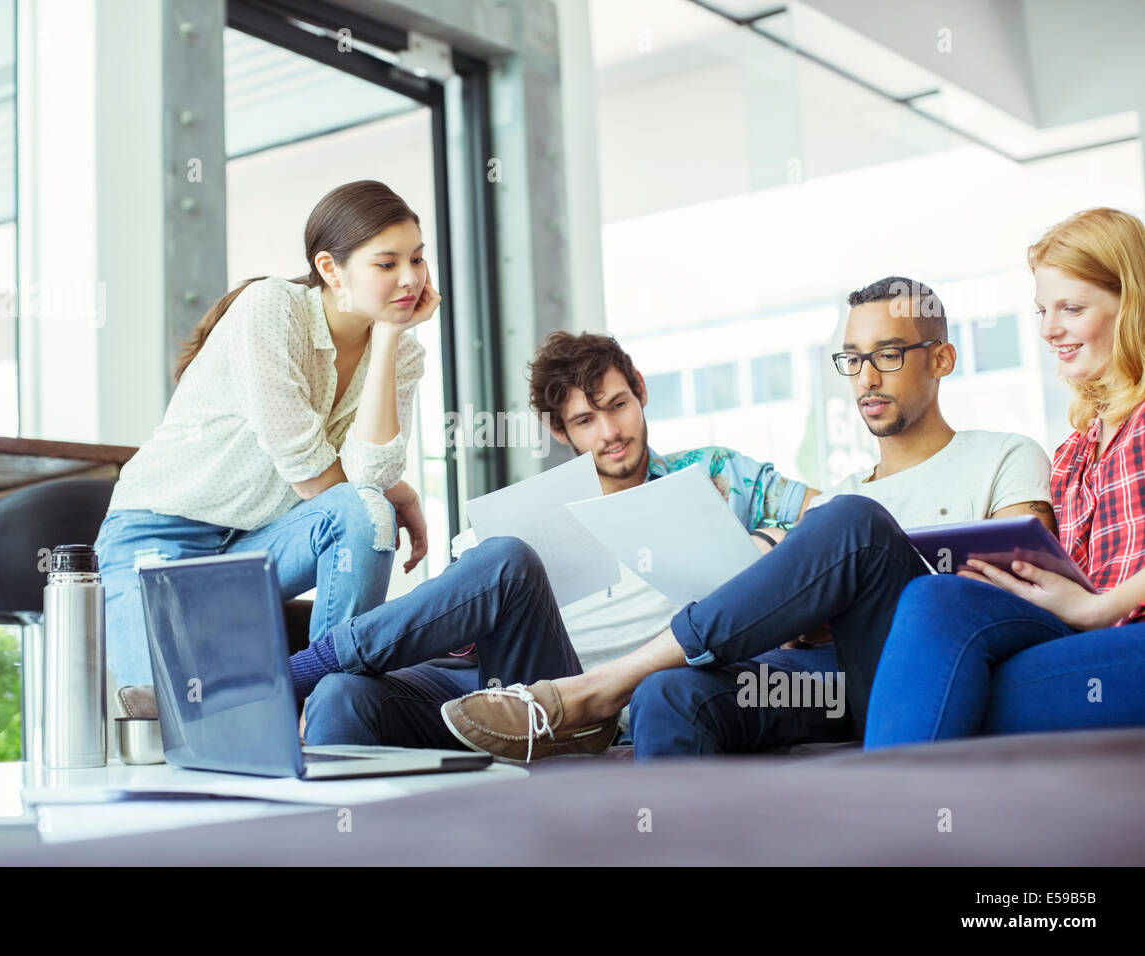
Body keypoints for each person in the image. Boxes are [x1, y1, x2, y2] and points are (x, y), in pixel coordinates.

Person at [439, 276, 1054, 761]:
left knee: (852, 524)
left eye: (888, 355)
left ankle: (599, 687)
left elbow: (1025, 589)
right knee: (669, 694)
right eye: (852, 359)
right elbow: (797, 629)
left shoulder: (1003, 455)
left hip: (926, 659)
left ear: (942, 358)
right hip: (836, 679)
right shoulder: (840, 495)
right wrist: (801, 612)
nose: (866, 378)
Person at [296, 331, 820, 753]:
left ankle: (299, 669)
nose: (611, 432)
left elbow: (833, 519)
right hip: (496, 679)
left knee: (506, 558)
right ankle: (323, 683)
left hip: (574, 697)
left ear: (640, 389)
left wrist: (770, 539)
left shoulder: (714, 473)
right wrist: (467, 628)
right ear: (559, 431)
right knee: (344, 697)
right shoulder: (544, 508)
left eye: (618, 405)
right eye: (586, 421)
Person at [95, 180, 439, 699]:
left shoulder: (404, 356)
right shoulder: (272, 308)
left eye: (417, 259)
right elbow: (311, 479)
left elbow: (363, 487)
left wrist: (390, 337)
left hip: (250, 551)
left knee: (365, 508)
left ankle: (334, 707)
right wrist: (399, 492)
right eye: (386, 264)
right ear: (330, 269)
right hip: (158, 541)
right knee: (169, 721)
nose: (410, 279)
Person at [866, 208, 1145, 748]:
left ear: (1131, 305)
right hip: (1086, 637)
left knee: (954, 687)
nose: (1049, 330)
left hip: (1125, 632)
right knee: (937, 598)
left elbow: (1093, 602)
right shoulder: (1072, 454)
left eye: (1072, 308)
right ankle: (895, 813)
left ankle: (882, 817)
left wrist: (1098, 607)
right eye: (1043, 309)